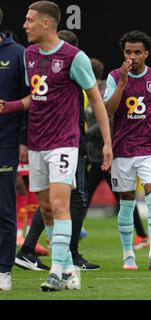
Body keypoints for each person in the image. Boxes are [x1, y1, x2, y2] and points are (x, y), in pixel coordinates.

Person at [0, 1, 112, 291]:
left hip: (64, 142)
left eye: (29, 20)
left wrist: (108, 142)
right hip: (37, 142)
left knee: (61, 205)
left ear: (46, 23)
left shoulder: (75, 58)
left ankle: (58, 271)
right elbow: (33, 99)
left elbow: (96, 99)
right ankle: (69, 271)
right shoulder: (30, 57)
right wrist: (10, 106)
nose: (24, 25)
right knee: (47, 208)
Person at [15, 29, 102, 272]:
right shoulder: (58, 65)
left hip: (66, 140)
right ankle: (66, 256)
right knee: (71, 199)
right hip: (64, 142)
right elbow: (32, 103)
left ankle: (38, 253)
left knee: (56, 201)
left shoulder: (66, 69)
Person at [103, 30, 151, 270]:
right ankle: (127, 254)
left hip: (150, 146)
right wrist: (122, 83)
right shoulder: (113, 77)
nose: (132, 57)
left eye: (137, 52)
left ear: (146, 53)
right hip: (123, 148)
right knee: (127, 200)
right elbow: (109, 110)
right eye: (128, 52)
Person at [85, 57, 149, 250]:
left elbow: (109, 121)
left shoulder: (103, 90)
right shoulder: (87, 92)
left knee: (123, 197)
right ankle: (74, 230)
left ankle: (142, 236)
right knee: (85, 196)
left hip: (108, 155)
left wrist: (84, 134)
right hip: (95, 156)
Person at [0, 5, 27, 291]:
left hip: (5, 143)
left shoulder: (17, 53)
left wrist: (24, 140)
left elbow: (32, 98)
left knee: (4, 208)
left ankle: (3, 270)